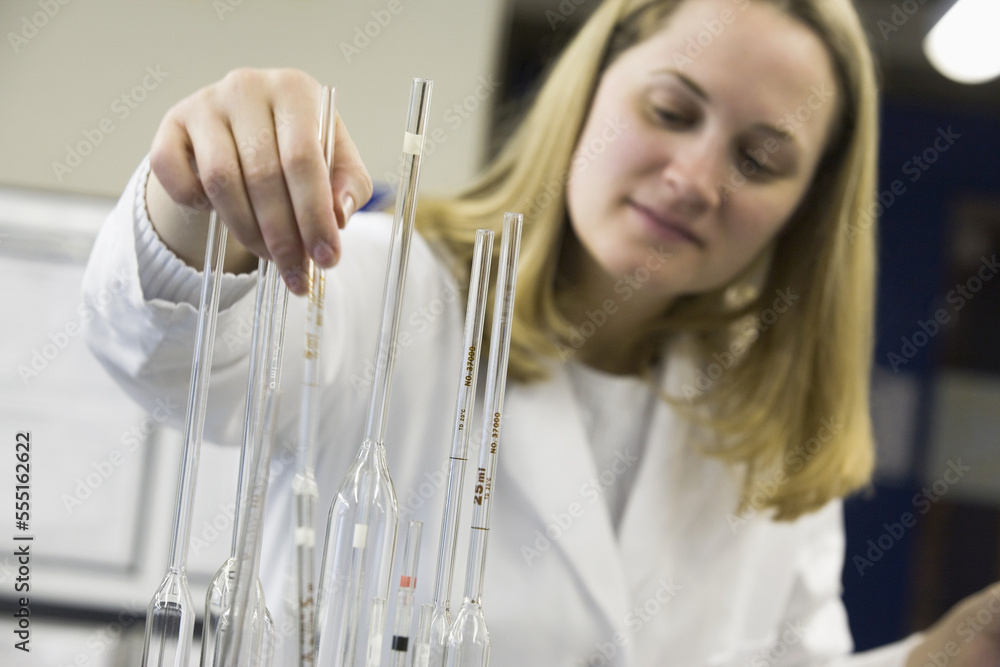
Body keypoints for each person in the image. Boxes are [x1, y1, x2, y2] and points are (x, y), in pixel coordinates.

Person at [82, 0, 1000, 665]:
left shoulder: (764, 427)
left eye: (759, 160)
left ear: (806, 210)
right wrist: (200, 189)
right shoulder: (386, 290)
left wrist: (957, 648)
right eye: (671, 111)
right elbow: (166, 350)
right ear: (590, 91)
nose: (693, 176)